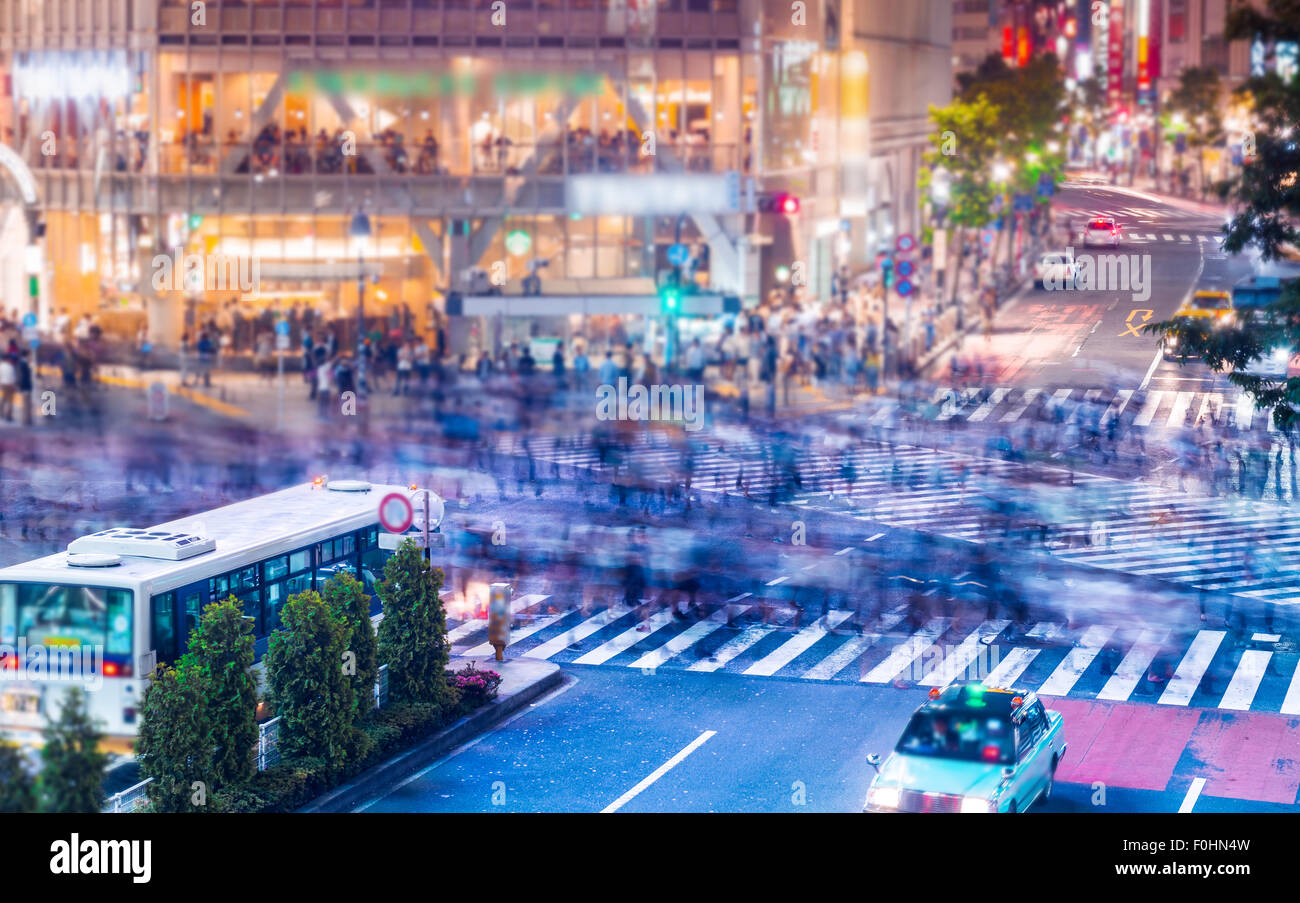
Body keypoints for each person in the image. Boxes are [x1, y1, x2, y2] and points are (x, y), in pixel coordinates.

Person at [0, 353, 15, 421]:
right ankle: (8, 416)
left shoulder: (1, 366)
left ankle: (1, 412)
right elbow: (12, 377)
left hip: (3, 384)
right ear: (8, 359)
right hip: (9, 384)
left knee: (4, 399)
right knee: (10, 401)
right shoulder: (10, 366)